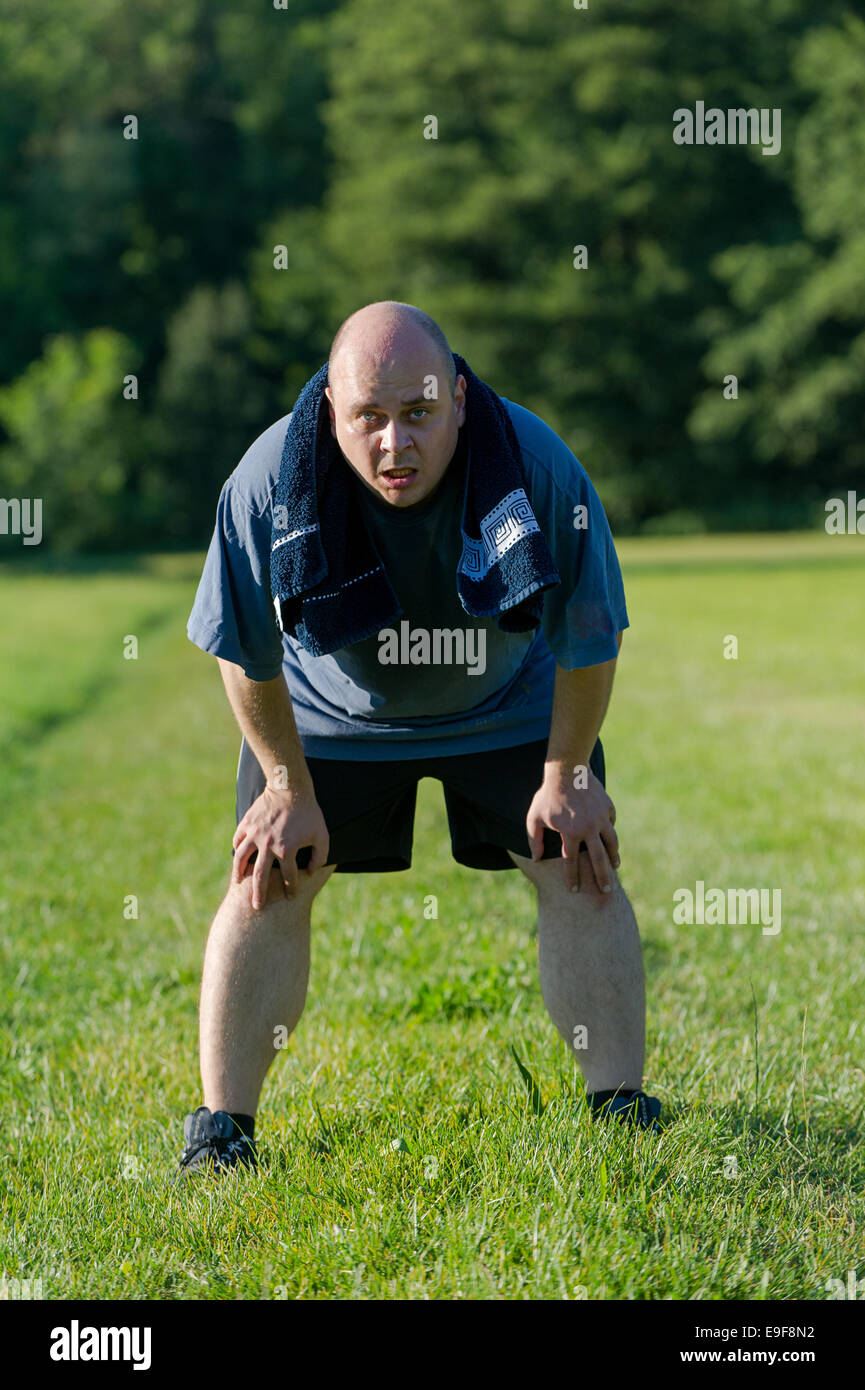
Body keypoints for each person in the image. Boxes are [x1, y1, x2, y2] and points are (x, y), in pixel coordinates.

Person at [178, 300, 661, 1176]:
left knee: (578, 861)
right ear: (331, 410)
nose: (394, 444)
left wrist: (567, 775)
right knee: (265, 880)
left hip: (509, 701)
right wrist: (286, 787)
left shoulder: (538, 466)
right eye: (368, 416)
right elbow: (243, 648)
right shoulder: (264, 481)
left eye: (418, 414)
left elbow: (589, 631)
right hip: (332, 715)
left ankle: (619, 1107)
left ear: (461, 400)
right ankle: (222, 1132)